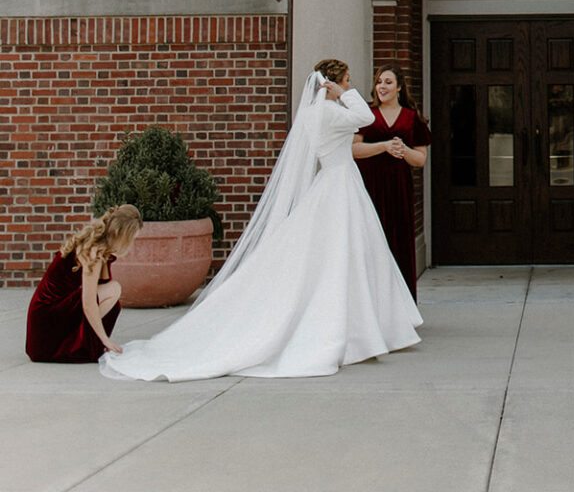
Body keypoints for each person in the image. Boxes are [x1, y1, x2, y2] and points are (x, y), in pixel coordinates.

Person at [99, 60, 421, 381]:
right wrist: (341, 93)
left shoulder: (313, 113)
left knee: (349, 255)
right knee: (343, 255)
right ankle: (351, 329)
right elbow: (366, 117)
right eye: (346, 80)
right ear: (330, 83)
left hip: (336, 182)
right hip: (338, 185)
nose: (350, 86)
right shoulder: (329, 111)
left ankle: (363, 326)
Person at [26, 205, 143, 363]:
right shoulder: (92, 251)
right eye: (131, 239)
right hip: (46, 328)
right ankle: (83, 344)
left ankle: (86, 343)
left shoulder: (100, 249)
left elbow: (101, 286)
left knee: (113, 299)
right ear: (122, 236)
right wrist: (104, 339)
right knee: (114, 289)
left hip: (50, 322)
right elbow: (89, 302)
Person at [353, 62, 431, 300]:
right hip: (369, 188)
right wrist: (383, 146)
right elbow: (353, 150)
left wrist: (402, 150)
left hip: (398, 189)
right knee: (370, 244)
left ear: (399, 87)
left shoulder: (411, 118)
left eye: (388, 82)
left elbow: (420, 160)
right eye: (379, 82)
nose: (382, 87)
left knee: (399, 244)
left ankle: (401, 305)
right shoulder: (366, 115)